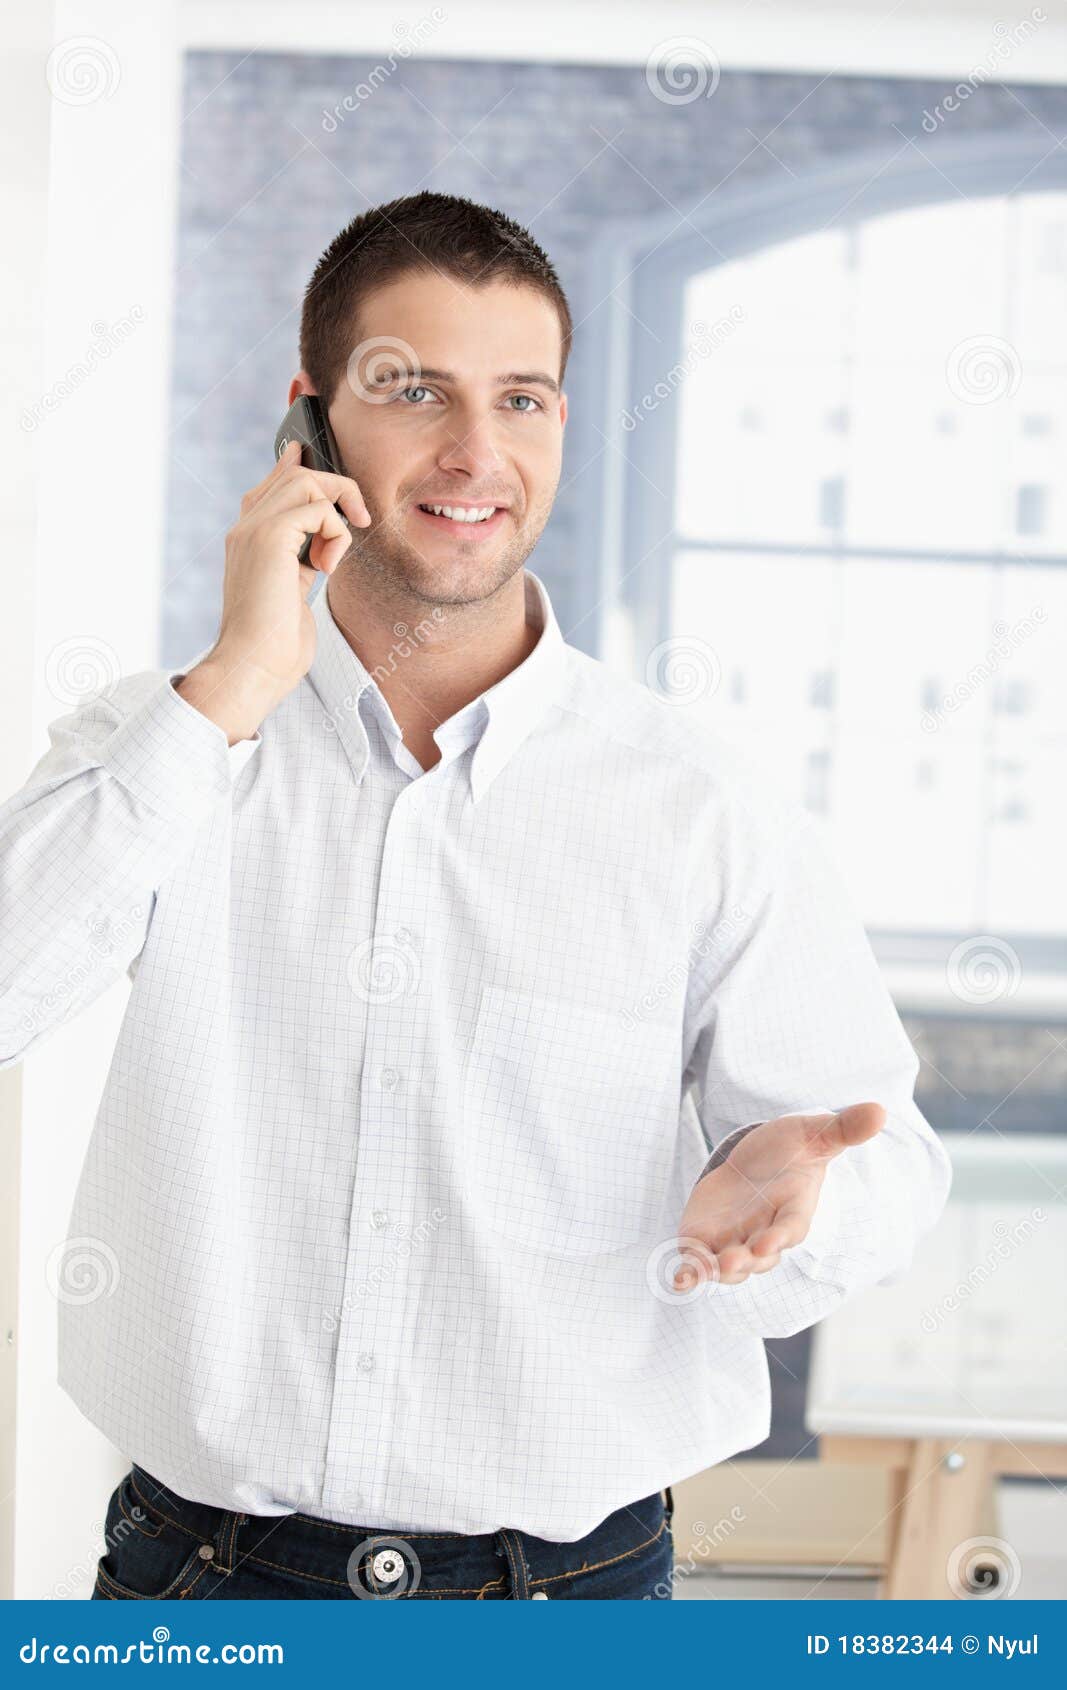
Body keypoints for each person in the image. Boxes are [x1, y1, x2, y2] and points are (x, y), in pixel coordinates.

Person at [0, 191, 950, 1600]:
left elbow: (883, 1155)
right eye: (412, 391)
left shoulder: (696, 804)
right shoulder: (169, 746)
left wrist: (795, 1204)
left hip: (571, 1597)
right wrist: (234, 687)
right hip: (202, 1582)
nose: (476, 452)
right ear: (308, 426)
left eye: (523, 398)